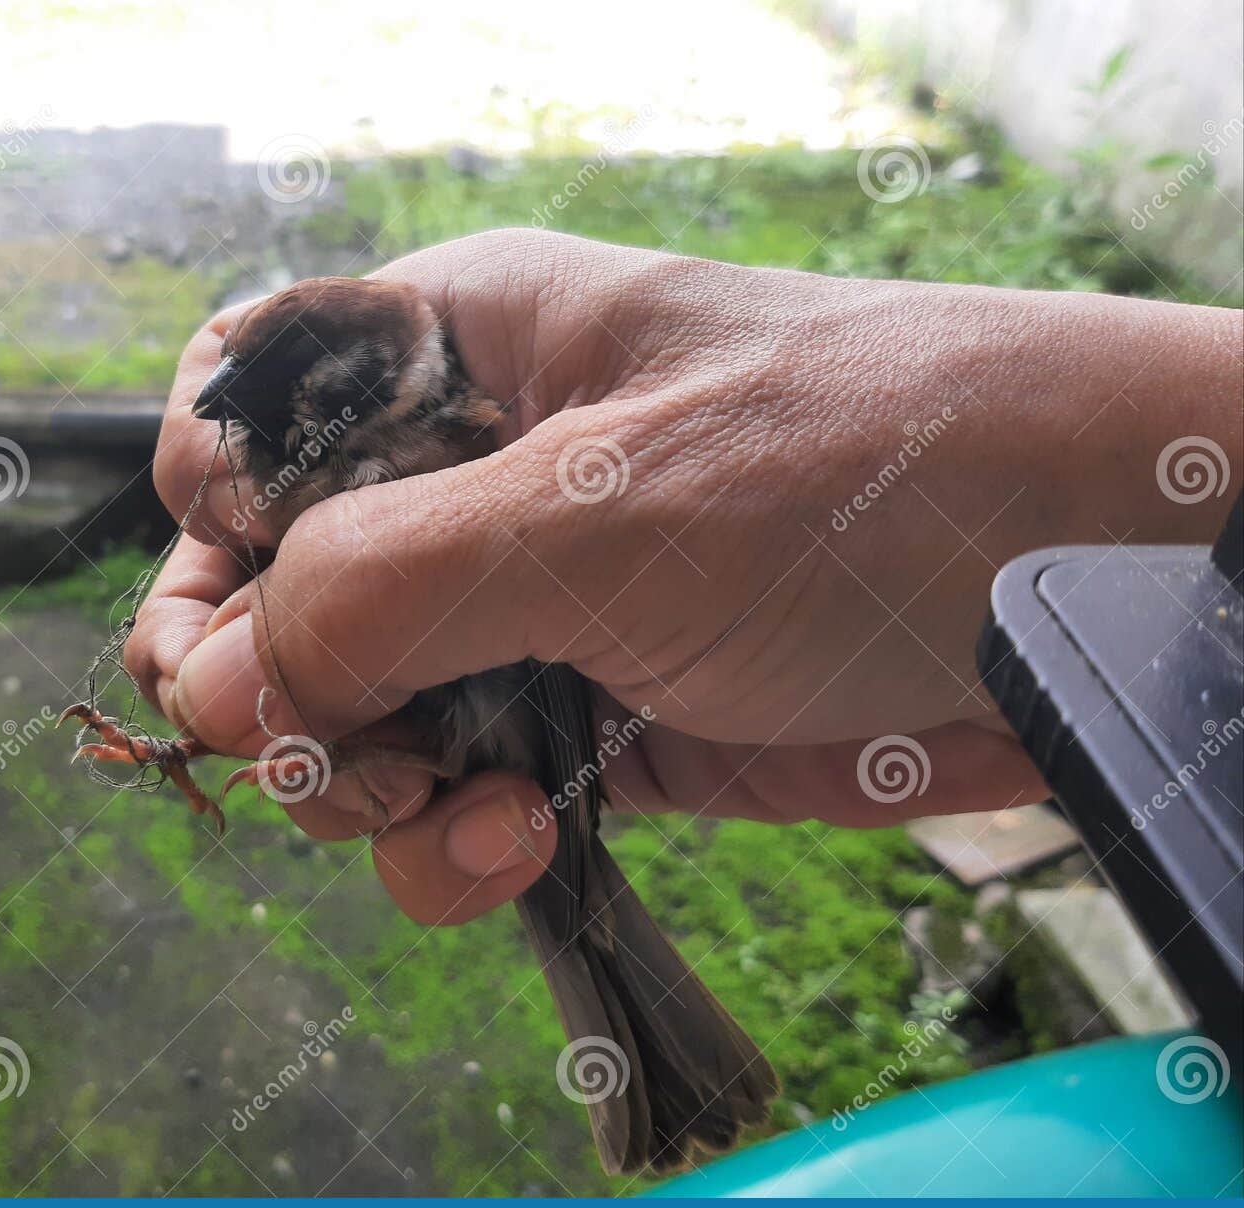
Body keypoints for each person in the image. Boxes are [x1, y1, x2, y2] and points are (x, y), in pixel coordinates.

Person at [121, 228, 1242, 926]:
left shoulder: (467, 431)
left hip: (534, 733)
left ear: (372, 388)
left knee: (363, 755)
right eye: (240, 401)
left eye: (283, 409)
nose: (238, 424)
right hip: (541, 751)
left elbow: (520, 672)